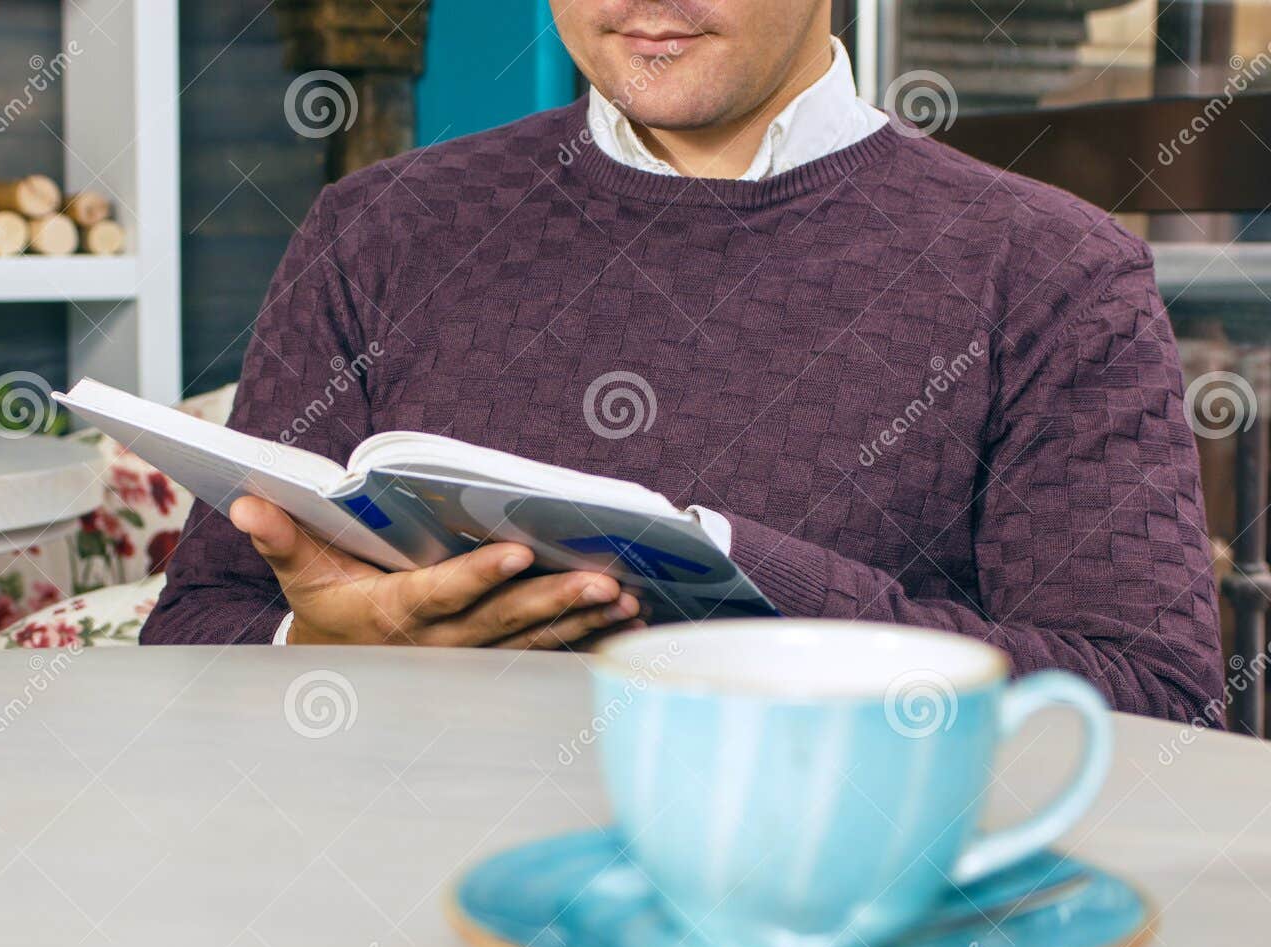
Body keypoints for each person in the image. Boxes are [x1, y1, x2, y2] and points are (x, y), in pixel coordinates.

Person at [143, 0, 1224, 723]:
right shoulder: (379, 227)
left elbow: (1152, 708)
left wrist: (735, 575)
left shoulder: (1052, 270)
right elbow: (193, 631)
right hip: (415, 908)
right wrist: (319, 639)